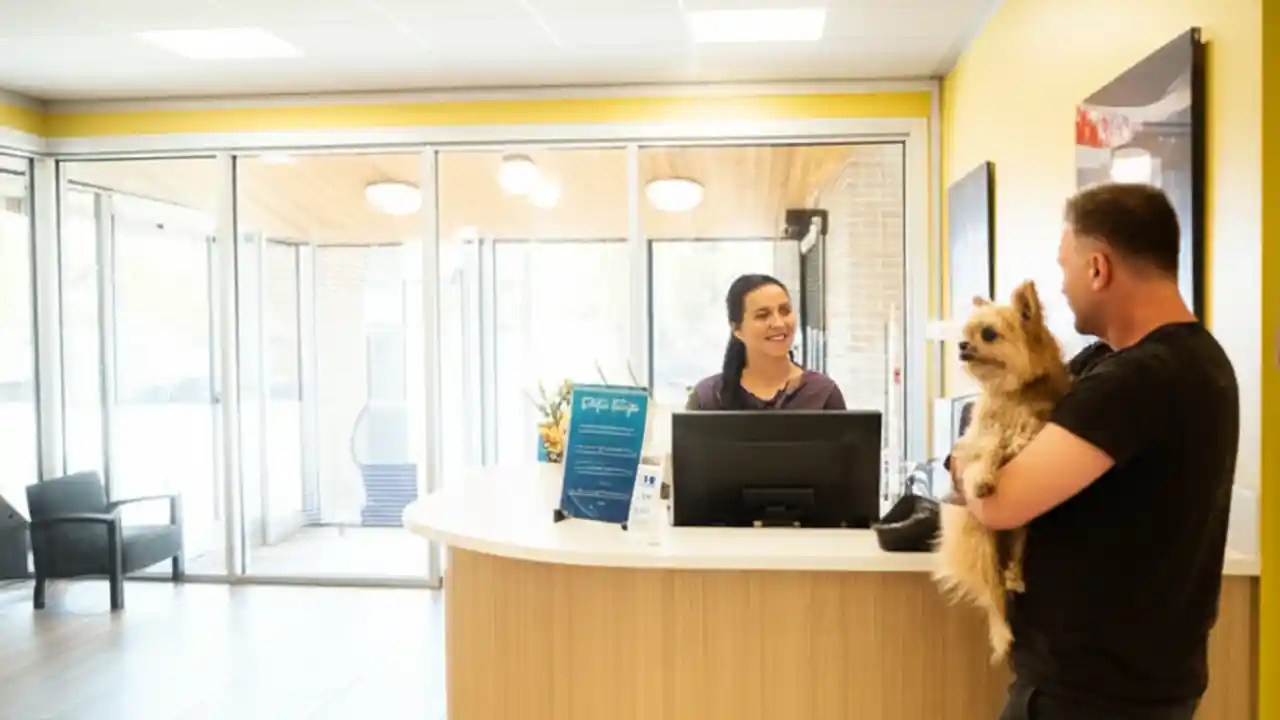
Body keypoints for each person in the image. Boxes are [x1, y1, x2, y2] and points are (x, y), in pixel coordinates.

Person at [951, 183, 1239, 719]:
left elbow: (998, 501)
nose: (1061, 288)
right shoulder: (1191, 361)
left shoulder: (1138, 380)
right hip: (1136, 680)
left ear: (1098, 268)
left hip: (1092, 693)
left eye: (1066, 269)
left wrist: (961, 460)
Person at [687, 273, 846, 411]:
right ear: (737, 329)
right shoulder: (708, 398)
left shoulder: (823, 393)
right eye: (763, 315)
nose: (779, 323)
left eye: (785, 311)